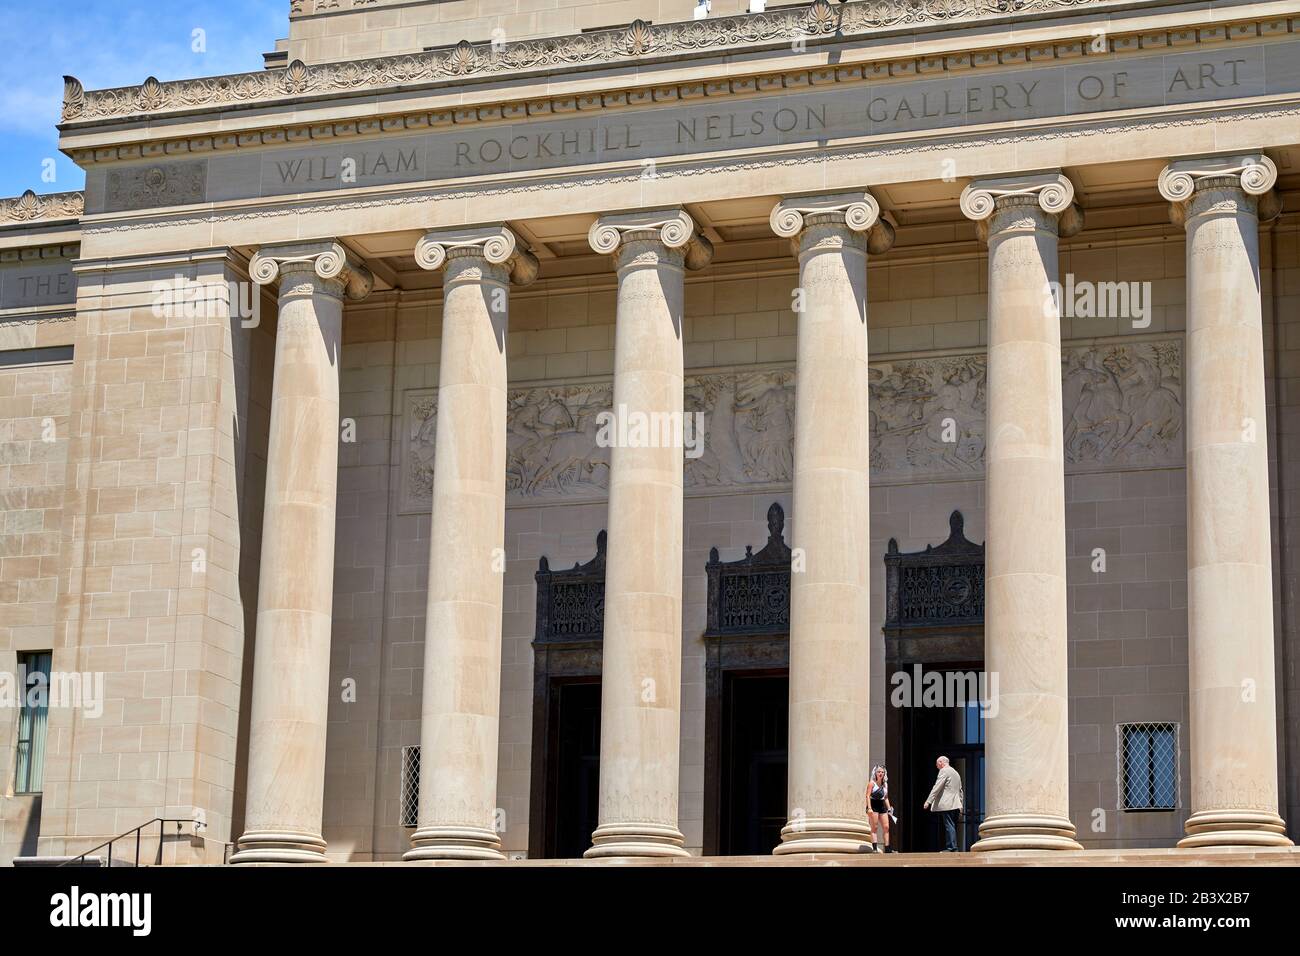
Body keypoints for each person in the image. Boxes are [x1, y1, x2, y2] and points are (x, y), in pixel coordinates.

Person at [922, 755, 963, 852]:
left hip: (947, 804)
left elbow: (937, 786)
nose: (936, 766)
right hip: (956, 804)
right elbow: (961, 791)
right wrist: (961, 805)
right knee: (951, 825)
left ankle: (952, 848)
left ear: (941, 762)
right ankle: (953, 847)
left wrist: (928, 801)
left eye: (937, 763)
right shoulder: (956, 773)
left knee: (949, 825)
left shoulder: (944, 771)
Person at [866, 766, 895, 852]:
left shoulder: (885, 784)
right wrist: (869, 808)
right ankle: (874, 848)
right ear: (875, 773)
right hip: (873, 805)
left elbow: (885, 797)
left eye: (882, 772)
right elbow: (867, 795)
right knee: (874, 827)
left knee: (886, 827)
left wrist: (889, 809)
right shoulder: (872, 783)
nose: (880, 773)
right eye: (879, 772)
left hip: (881, 806)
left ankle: (887, 848)